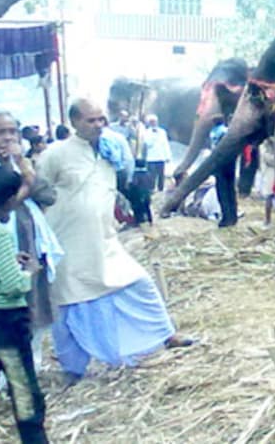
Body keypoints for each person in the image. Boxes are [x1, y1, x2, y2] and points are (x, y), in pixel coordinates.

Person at [34, 98, 192, 382]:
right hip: (68, 243)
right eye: (90, 120)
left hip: (105, 239)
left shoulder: (112, 148)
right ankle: (73, 369)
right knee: (68, 303)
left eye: (100, 120)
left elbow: (125, 181)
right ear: (74, 122)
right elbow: (37, 190)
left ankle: (165, 335)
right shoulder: (55, 154)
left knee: (139, 282)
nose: (97, 125)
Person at [0, 166, 49, 443]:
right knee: (23, 391)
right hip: (5, 323)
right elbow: (12, 286)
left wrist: (10, 260)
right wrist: (29, 273)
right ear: (10, 200)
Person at [0, 111, 63, 338]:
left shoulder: (23, 163)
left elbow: (49, 195)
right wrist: (25, 186)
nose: (8, 138)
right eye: (1, 132)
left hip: (29, 243)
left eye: (13, 132)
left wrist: (24, 167)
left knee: (34, 307)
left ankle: (33, 361)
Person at [208, 116, 239, 227]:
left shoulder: (215, 132)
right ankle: (233, 216)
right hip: (231, 162)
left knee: (222, 191)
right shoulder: (227, 131)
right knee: (231, 189)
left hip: (219, 163)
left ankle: (226, 217)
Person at [141, 114, 172, 192]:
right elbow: (148, 143)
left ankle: (160, 188)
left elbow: (165, 144)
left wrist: (168, 156)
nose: (153, 123)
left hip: (161, 157)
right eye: (151, 122)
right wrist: (153, 135)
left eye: (154, 121)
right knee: (151, 175)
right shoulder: (146, 132)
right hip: (151, 157)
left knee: (161, 174)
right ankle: (151, 189)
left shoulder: (162, 132)